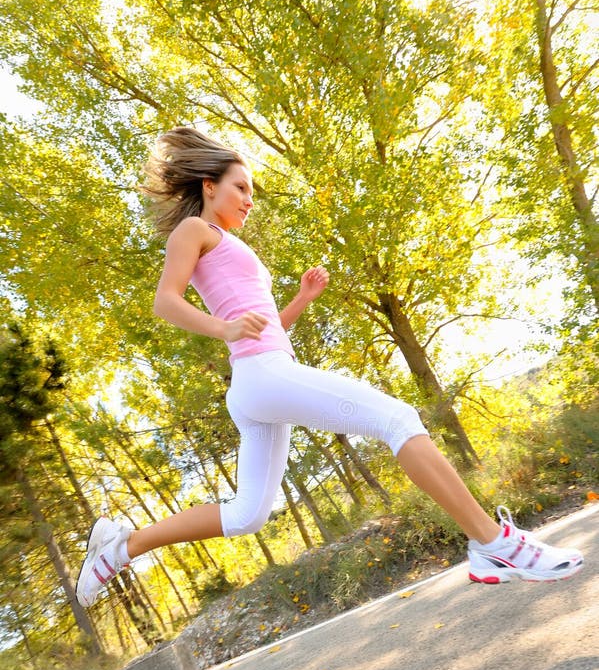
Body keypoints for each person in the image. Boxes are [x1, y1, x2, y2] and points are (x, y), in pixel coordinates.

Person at [76, 127, 584, 607]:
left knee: (248, 514)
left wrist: (299, 300)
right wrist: (223, 329)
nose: (249, 200)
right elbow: (166, 302)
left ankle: (121, 548)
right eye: (241, 188)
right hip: (260, 374)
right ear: (209, 186)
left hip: (261, 380)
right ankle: (494, 543)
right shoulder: (194, 228)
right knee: (398, 420)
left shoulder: (230, 243)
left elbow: (265, 327)